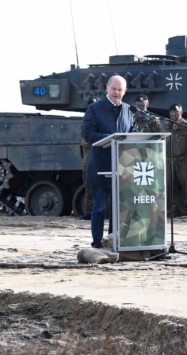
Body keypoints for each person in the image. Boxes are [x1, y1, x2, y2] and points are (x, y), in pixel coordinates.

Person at [81, 75, 136, 248]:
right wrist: (110, 138)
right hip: (101, 166)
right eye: (114, 89)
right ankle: (97, 242)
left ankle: (113, 240)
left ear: (125, 91)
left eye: (120, 90)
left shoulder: (129, 110)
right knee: (99, 208)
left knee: (117, 209)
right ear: (107, 88)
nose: (117, 93)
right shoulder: (95, 109)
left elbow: (133, 133)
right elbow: (87, 134)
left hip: (122, 166)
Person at [163, 103, 187, 216]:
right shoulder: (165, 127)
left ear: (181, 112)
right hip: (169, 161)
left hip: (184, 161)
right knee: (169, 188)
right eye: (171, 112)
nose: (173, 114)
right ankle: (170, 213)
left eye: (176, 111)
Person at [79, 96, 99, 220]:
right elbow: (84, 141)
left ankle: (100, 209)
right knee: (88, 183)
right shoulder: (86, 121)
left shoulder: (100, 119)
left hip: (98, 155)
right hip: (88, 156)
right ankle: (88, 210)